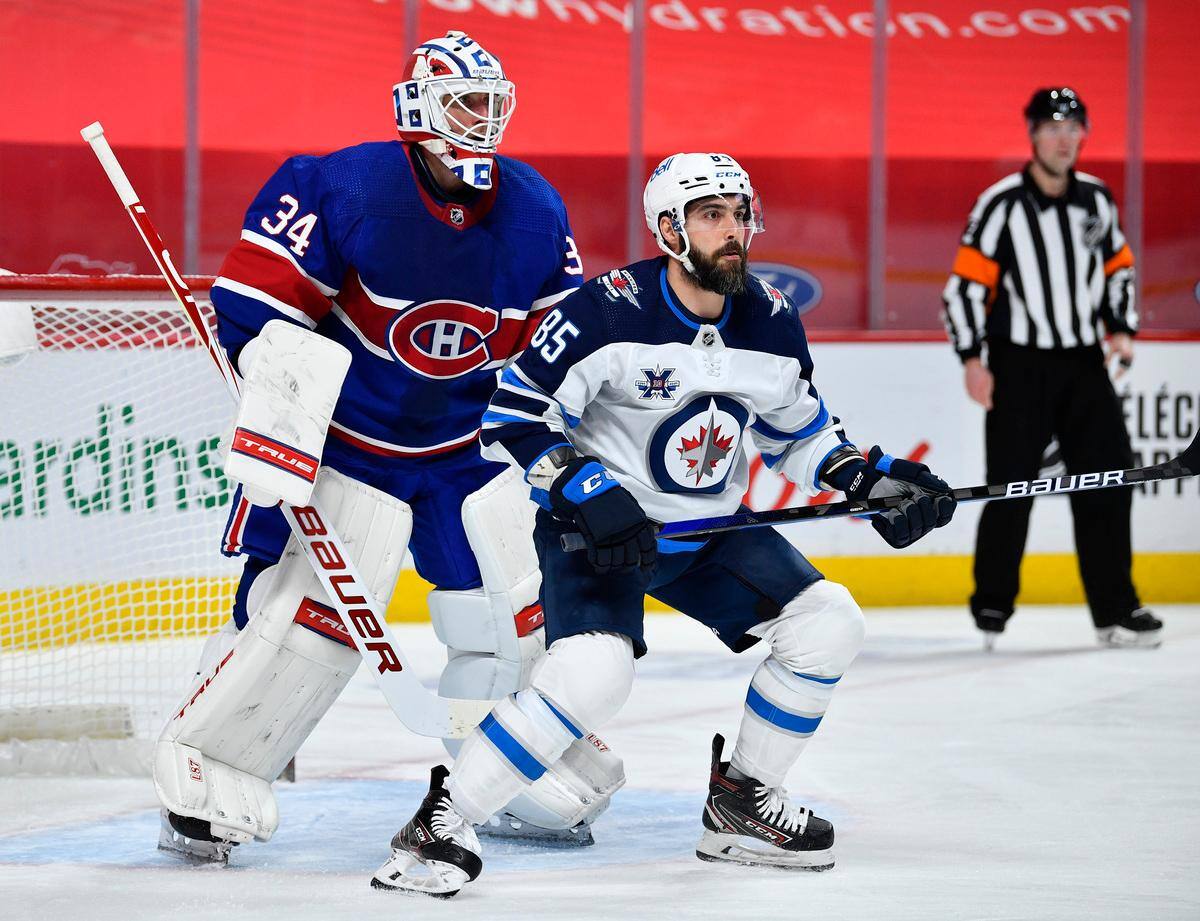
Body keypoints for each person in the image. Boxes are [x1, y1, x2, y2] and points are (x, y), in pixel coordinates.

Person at [371, 152, 957, 897]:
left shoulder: (771, 320)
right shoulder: (605, 311)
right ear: (670, 228)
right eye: (713, 215)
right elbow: (511, 418)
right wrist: (583, 485)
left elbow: (797, 432)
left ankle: (741, 803)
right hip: (602, 534)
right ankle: (441, 822)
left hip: (708, 534)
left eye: (741, 213)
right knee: (593, 674)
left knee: (829, 620)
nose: (734, 230)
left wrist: (865, 476)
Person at [153, 30, 625, 864]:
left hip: (462, 442)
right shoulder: (343, 184)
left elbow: (560, 345)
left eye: (492, 105)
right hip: (346, 443)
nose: (481, 122)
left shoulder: (535, 208)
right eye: (463, 104)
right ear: (418, 108)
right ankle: (215, 760)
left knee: (510, 610)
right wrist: (278, 400)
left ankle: (509, 766)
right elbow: (255, 307)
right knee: (304, 612)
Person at [941, 87, 1162, 650]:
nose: (1064, 139)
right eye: (1052, 128)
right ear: (1033, 135)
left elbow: (1120, 267)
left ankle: (1116, 609)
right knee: (1011, 488)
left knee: (1110, 482)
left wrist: (1123, 326)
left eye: (1073, 128)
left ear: (1083, 135)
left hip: (1084, 364)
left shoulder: (1097, 199)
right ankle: (992, 604)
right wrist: (972, 358)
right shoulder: (1002, 204)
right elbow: (964, 289)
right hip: (1019, 368)